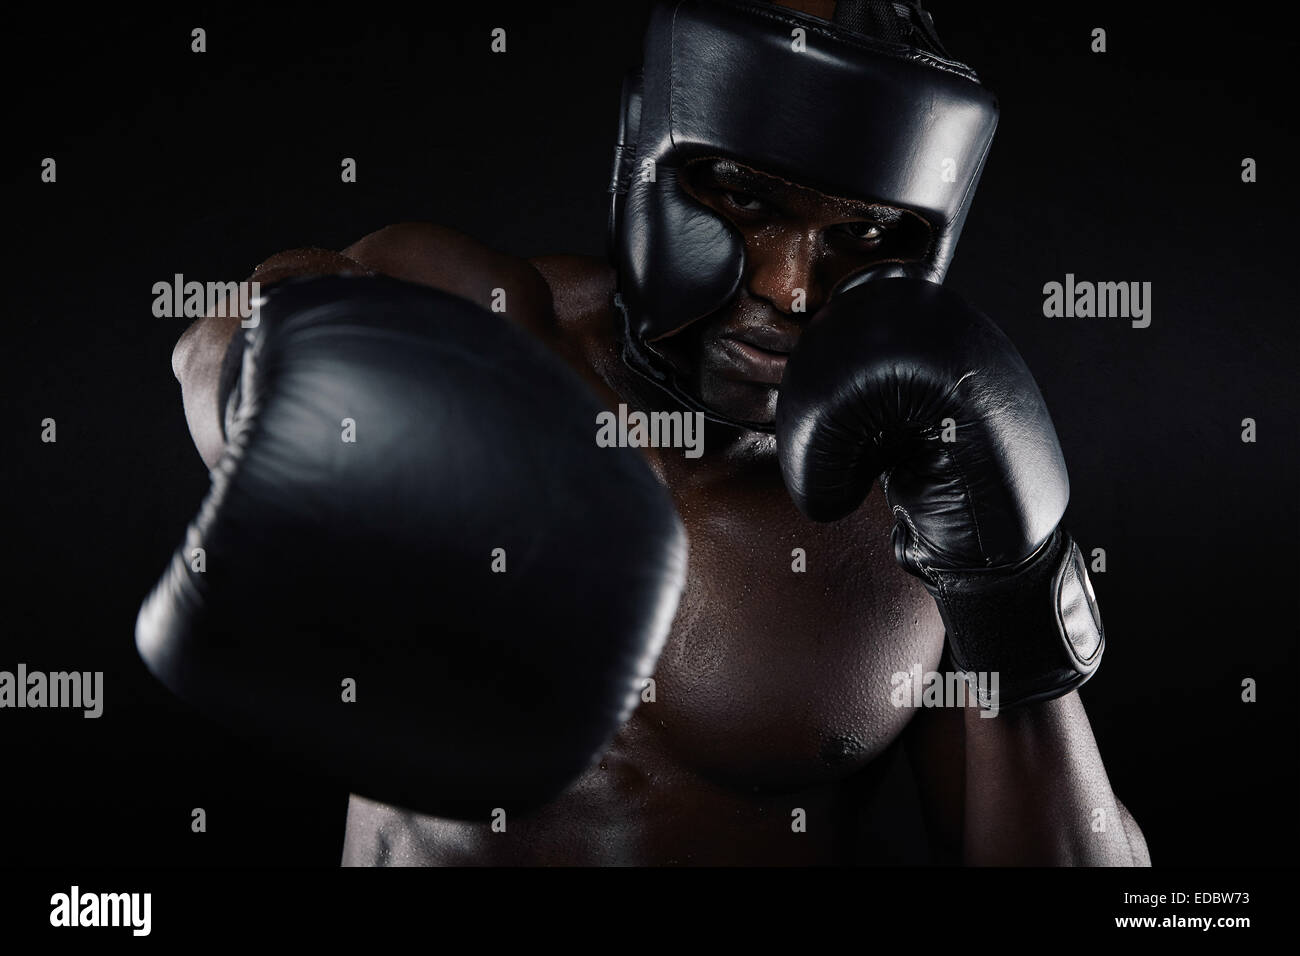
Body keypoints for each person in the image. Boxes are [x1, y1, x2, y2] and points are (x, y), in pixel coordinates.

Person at [147, 0, 1149, 865]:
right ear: (644, 157)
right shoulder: (488, 323)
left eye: (863, 240)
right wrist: (283, 386)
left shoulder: (915, 513)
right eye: (746, 201)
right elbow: (222, 342)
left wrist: (1010, 589)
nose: (789, 290)